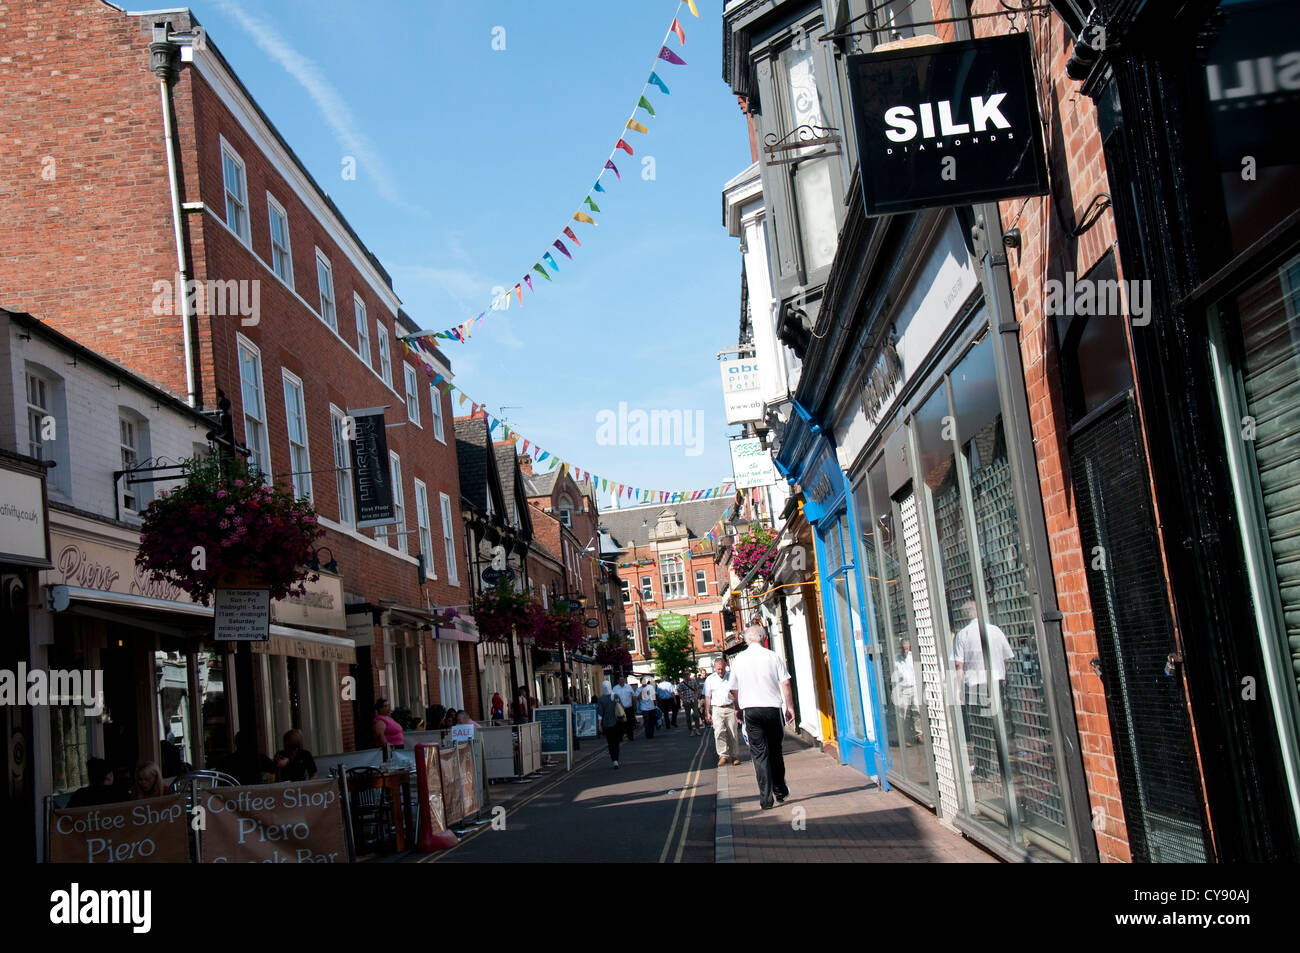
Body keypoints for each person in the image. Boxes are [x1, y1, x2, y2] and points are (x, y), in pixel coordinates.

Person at [729, 624, 795, 810]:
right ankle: (780, 790)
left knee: (759, 754)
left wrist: (737, 708)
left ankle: (766, 799)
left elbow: (733, 689)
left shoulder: (739, 660)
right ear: (762, 637)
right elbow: (786, 683)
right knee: (775, 751)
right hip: (772, 709)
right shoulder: (772, 656)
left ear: (747, 640)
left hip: (751, 711)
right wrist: (789, 706)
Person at [952, 598, 1015, 776]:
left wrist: (959, 690)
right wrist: (1003, 677)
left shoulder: (963, 634)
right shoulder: (995, 630)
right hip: (995, 681)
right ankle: (1005, 767)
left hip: (974, 684)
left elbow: (958, 665)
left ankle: (983, 767)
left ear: (965, 615)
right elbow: (1007, 658)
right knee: (997, 722)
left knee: (980, 727)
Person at [703, 657, 740, 766]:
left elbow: (736, 693)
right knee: (719, 732)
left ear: (725, 667)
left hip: (730, 707)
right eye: (718, 669)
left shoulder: (731, 677)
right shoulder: (710, 680)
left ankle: (734, 756)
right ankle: (723, 755)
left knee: (732, 732)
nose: (720, 671)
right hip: (717, 709)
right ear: (715, 668)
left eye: (722, 669)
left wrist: (737, 708)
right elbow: (707, 697)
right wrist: (707, 712)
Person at [892, 637, 922, 746]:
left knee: (917, 709)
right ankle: (904, 737)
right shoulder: (896, 659)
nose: (905, 651)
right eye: (903, 648)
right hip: (903, 688)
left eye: (907, 648)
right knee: (903, 713)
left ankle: (919, 734)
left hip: (913, 686)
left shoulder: (912, 657)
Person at [596, 683, 624, 768]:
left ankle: (613, 760)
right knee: (616, 742)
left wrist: (599, 725)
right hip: (617, 723)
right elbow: (621, 707)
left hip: (607, 725)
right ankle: (616, 759)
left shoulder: (601, 699)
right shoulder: (615, 696)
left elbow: (600, 714)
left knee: (610, 743)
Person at [612, 675, 637, 742]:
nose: (622, 681)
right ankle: (620, 737)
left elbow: (633, 696)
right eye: (620, 680)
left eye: (623, 679)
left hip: (628, 708)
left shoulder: (628, 687)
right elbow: (613, 699)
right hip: (620, 709)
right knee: (620, 723)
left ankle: (630, 736)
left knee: (629, 722)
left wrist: (634, 706)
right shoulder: (615, 688)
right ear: (618, 681)